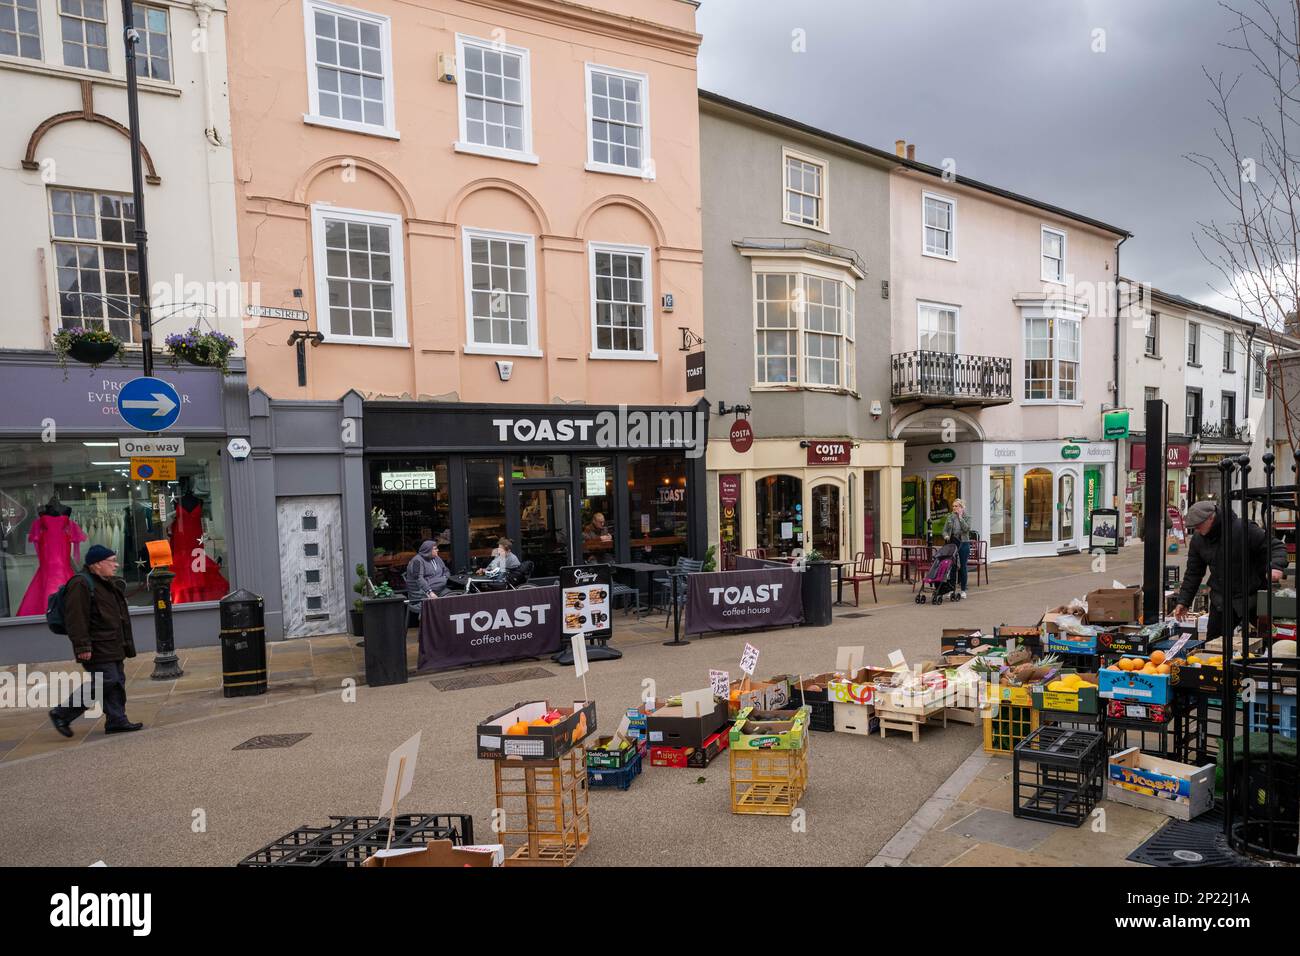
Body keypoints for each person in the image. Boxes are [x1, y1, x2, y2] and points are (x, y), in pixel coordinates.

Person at [49, 544, 141, 737]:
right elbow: (76, 618)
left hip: (113, 644)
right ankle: (62, 713)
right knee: (106, 680)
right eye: (112, 561)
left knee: (116, 682)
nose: (116, 565)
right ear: (97, 564)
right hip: (97, 645)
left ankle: (117, 720)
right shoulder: (81, 583)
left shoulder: (107, 582)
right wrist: (82, 645)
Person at [1171, 499, 1287, 638]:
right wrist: (1184, 601)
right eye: (1193, 528)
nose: (1196, 530)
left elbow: (1276, 546)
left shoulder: (1243, 528)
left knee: (1271, 639)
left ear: (1211, 518)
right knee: (1214, 645)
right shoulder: (1198, 539)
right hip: (1221, 600)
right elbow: (1193, 573)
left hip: (1253, 597)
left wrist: (1276, 566)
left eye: (1198, 526)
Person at [404, 540, 450, 609]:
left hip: (440, 589)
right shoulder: (417, 561)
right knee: (439, 604)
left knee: (453, 597)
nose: (438, 550)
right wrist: (430, 592)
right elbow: (418, 579)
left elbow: (446, 570)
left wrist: (444, 578)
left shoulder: (437, 558)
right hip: (422, 593)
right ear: (427, 550)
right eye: (435, 549)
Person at [942, 498, 973, 599]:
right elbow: (945, 530)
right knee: (953, 567)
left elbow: (967, 529)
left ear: (961, 507)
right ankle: (951, 590)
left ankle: (963, 590)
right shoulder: (950, 517)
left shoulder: (967, 517)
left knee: (963, 567)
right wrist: (946, 536)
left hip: (964, 543)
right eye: (953, 506)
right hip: (953, 543)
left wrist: (960, 518)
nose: (954, 508)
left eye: (956, 506)